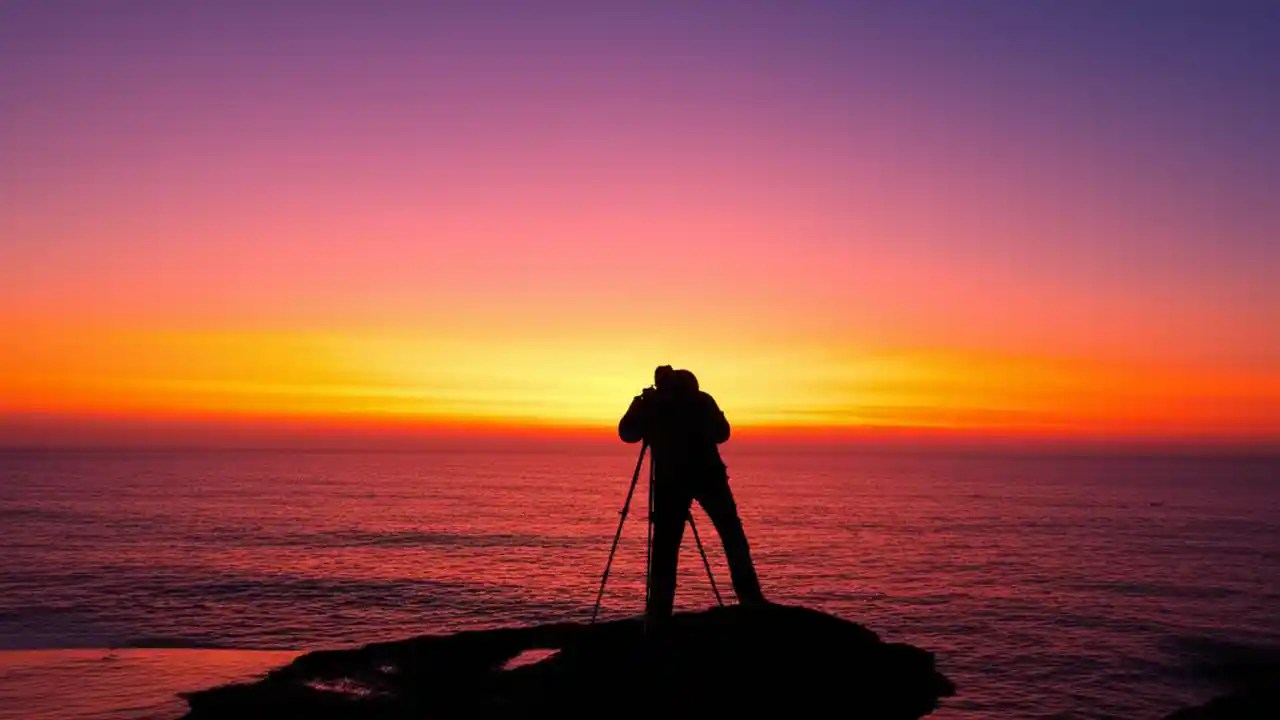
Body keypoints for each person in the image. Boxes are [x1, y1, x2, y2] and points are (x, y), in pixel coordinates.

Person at [619, 365, 765, 622]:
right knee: (732, 536)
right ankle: (751, 598)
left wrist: (641, 406)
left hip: (670, 483)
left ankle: (659, 610)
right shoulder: (701, 399)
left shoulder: (655, 404)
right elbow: (723, 433)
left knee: (665, 546)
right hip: (709, 476)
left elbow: (627, 433)